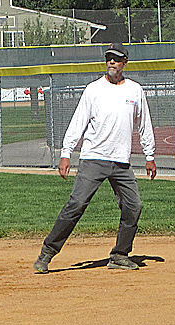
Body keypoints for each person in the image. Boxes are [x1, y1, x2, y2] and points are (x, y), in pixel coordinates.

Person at [34, 42, 156, 274]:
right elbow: (77, 122)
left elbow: (144, 124)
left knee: (134, 205)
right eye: (109, 57)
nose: (112, 61)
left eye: (117, 58)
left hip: (121, 162)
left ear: (125, 63)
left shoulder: (135, 90)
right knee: (77, 204)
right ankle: (47, 253)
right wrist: (65, 153)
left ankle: (120, 255)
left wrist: (150, 155)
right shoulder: (93, 89)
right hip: (93, 158)